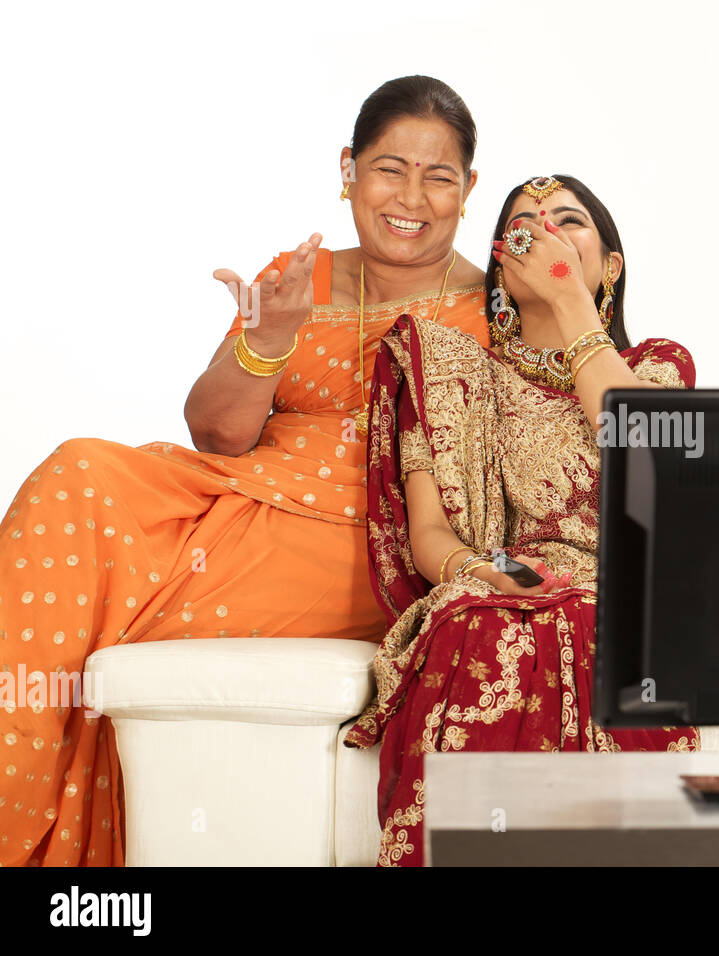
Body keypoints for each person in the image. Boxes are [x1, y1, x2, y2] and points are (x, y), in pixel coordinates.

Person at [0, 75, 489, 867]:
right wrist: (272, 337)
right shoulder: (297, 277)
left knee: (91, 609)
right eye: (390, 168)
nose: (412, 197)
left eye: (439, 177)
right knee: (75, 474)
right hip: (238, 492)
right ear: (348, 171)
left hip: (366, 535)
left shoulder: (494, 307)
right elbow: (218, 434)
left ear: (468, 190)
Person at [344, 175, 700, 867]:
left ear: (612, 266)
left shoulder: (657, 367)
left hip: (628, 591)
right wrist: (500, 572)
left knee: (597, 622)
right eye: (526, 225)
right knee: (478, 620)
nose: (547, 234)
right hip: (497, 582)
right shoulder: (447, 371)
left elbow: (643, 445)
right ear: (503, 260)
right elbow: (431, 537)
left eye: (569, 222)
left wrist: (571, 303)